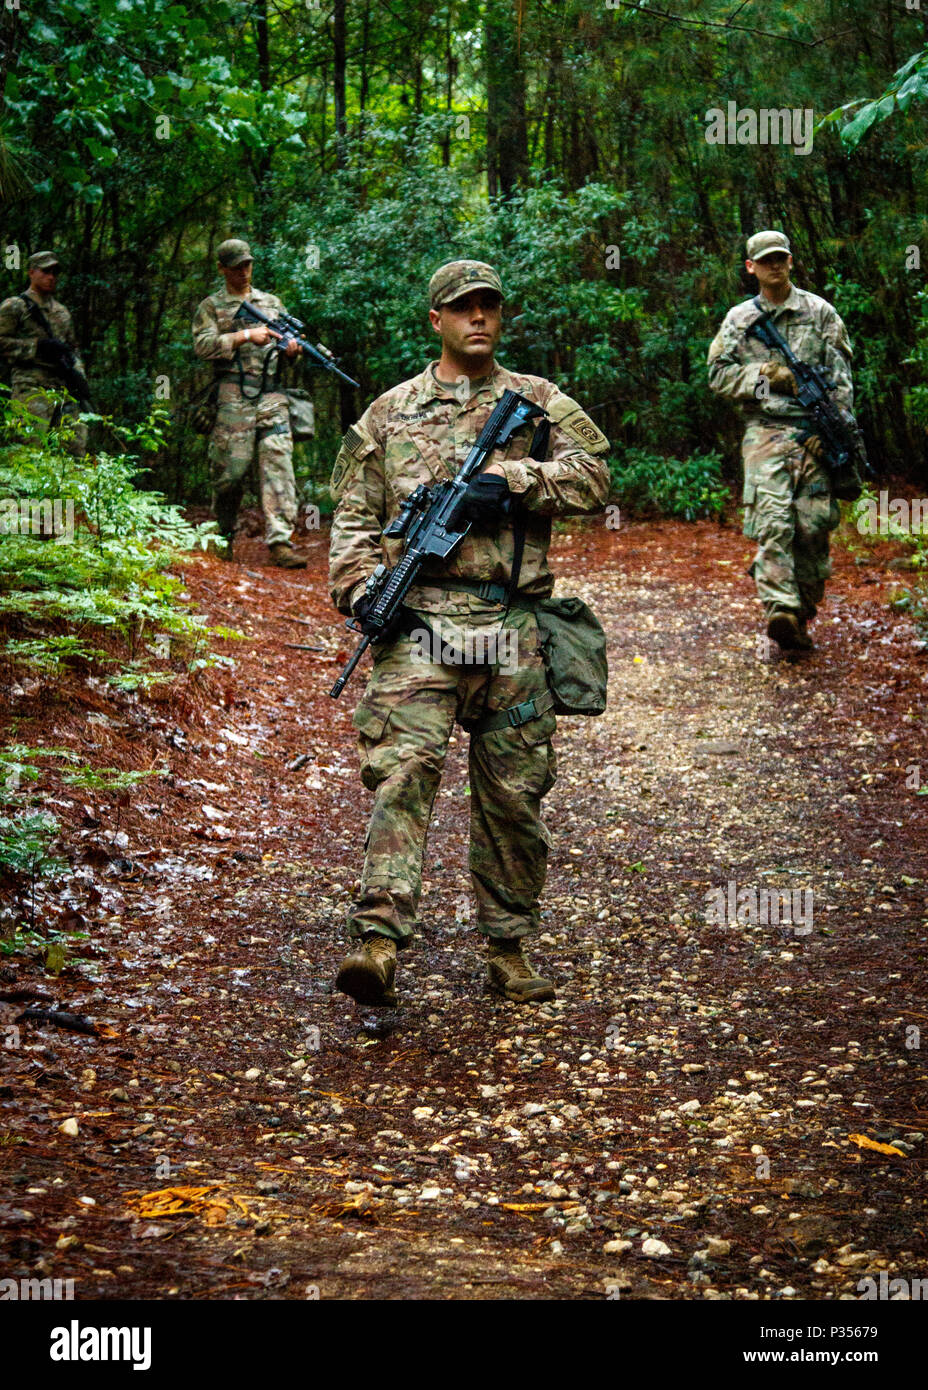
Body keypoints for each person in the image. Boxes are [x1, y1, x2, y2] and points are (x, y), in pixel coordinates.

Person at [329, 259, 610, 1007]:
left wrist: (516, 482)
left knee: (514, 793)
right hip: (418, 623)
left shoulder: (537, 402)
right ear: (436, 320)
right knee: (402, 775)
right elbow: (352, 518)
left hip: (510, 627)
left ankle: (509, 946)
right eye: (462, 308)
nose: (477, 318)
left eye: (488, 306)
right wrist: (362, 593)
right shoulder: (388, 414)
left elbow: (596, 478)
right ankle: (379, 942)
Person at [708, 229, 855, 651]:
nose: (775, 265)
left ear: (791, 262)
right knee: (774, 524)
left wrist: (833, 437)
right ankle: (780, 610)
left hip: (815, 436)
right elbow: (717, 376)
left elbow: (842, 383)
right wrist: (763, 378)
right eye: (766, 259)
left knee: (812, 528)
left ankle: (800, 615)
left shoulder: (821, 313)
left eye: (781, 258)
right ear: (751, 267)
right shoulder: (740, 320)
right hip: (766, 432)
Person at [192, 238, 308, 568]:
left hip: (271, 394)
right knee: (230, 473)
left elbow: (290, 348)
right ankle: (223, 535)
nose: (244, 271)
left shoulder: (271, 303)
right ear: (222, 269)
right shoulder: (211, 306)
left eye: (248, 265)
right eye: (236, 266)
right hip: (231, 396)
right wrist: (244, 335)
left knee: (278, 465)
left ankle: (280, 542)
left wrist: (292, 352)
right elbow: (202, 347)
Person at [0, 251, 89, 456]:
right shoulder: (15, 306)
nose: (51, 277)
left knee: (74, 452)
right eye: (46, 271)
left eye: (55, 272)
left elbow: (73, 350)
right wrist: (36, 347)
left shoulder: (62, 312)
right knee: (28, 450)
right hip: (30, 387)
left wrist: (79, 380)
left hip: (64, 390)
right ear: (32, 273)